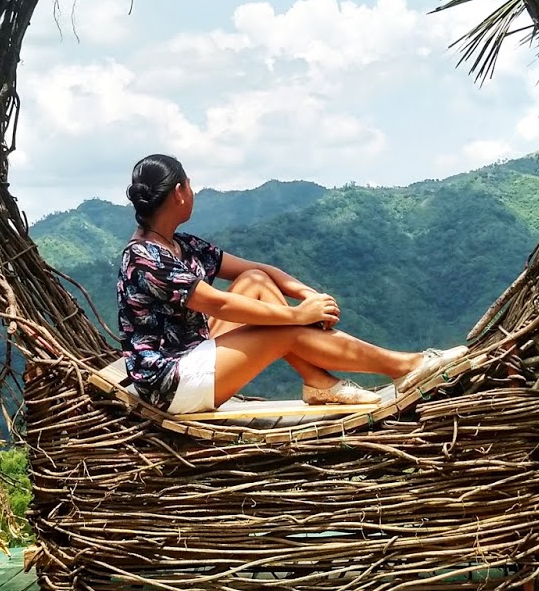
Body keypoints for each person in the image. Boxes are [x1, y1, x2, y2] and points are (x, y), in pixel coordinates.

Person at [116, 153, 450, 415]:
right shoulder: (145, 257)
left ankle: (317, 381)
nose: (193, 192)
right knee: (282, 330)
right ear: (179, 193)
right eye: (190, 185)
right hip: (169, 383)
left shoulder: (180, 244)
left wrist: (308, 295)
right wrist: (299, 315)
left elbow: (261, 270)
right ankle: (403, 367)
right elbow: (218, 303)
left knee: (256, 281)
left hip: (191, 354)